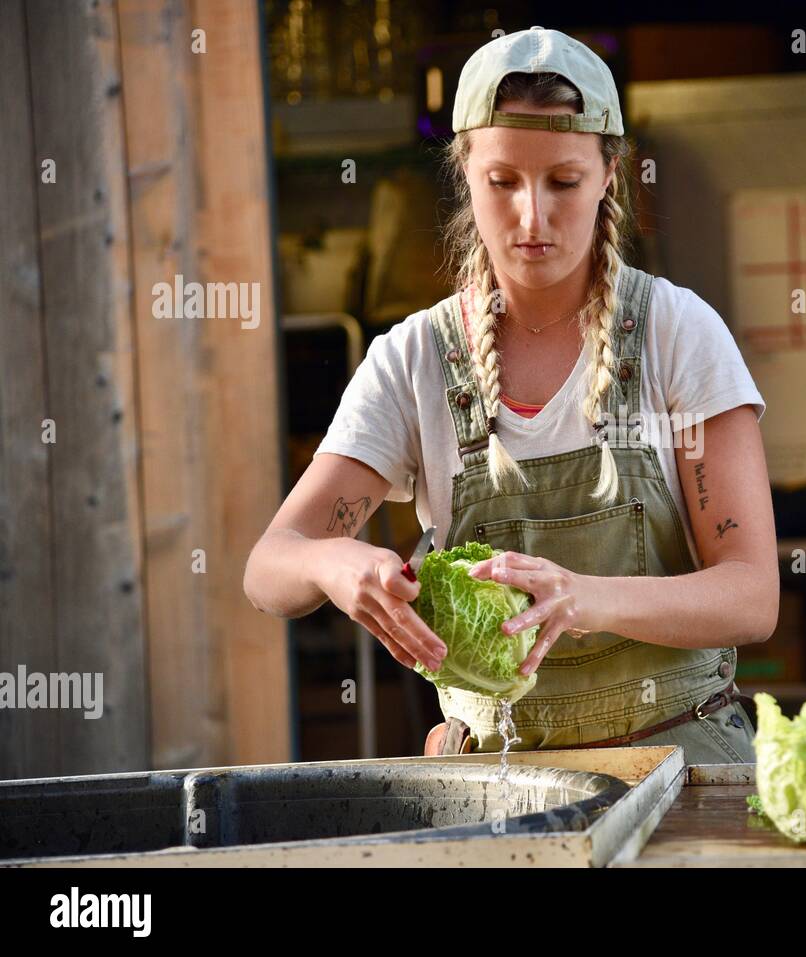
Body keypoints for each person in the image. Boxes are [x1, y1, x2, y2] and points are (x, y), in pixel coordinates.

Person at [244, 26, 778, 764]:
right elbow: (270, 568)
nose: (532, 217)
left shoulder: (676, 334)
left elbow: (752, 595)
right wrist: (335, 567)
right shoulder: (415, 361)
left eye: (563, 181)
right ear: (466, 174)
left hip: (680, 772)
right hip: (499, 786)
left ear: (609, 176)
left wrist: (585, 598)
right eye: (503, 182)